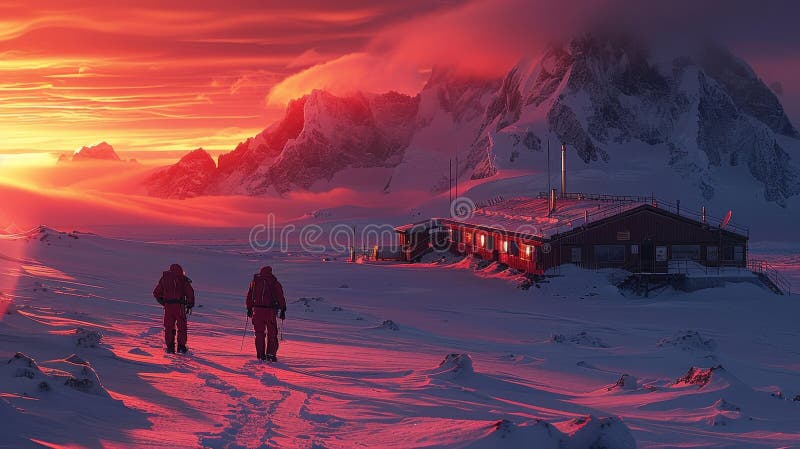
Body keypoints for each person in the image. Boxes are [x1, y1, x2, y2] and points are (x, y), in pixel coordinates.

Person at [246, 266, 286, 362]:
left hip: (257, 311)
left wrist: (249, 308)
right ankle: (271, 355)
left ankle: (260, 355)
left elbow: (249, 296)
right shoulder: (275, 283)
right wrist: (283, 309)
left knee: (259, 333)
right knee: (272, 333)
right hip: (270, 311)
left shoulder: (254, 282)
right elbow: (280, 297)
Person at [153, 263, 195, 354]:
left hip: (168, 307)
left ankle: (170, 347)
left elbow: (156, 293)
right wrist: (190, 304)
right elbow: (190, 293)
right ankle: (181, 347)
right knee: (182, 327)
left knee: (168, 326)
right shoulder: (183, 279)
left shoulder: (164, 279)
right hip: (179, 307)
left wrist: (163, 302)